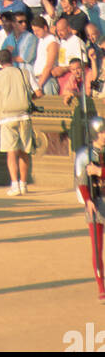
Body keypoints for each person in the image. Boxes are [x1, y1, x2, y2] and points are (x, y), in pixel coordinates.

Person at [0, 48, 34, 195]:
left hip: (6, 118)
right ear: (12, 60)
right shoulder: (24, 73)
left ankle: (15, 185)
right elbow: (38, 92)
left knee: (11, 153)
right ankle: (24, 184)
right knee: (24, 151)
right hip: (24, 115)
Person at [75, 115, 105, 301]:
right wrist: (88, 200)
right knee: (97, 247)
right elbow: (81, 182)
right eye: (101, 131)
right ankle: (101, 285)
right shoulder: (84, 155)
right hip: (96, 203)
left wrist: (100, 171)